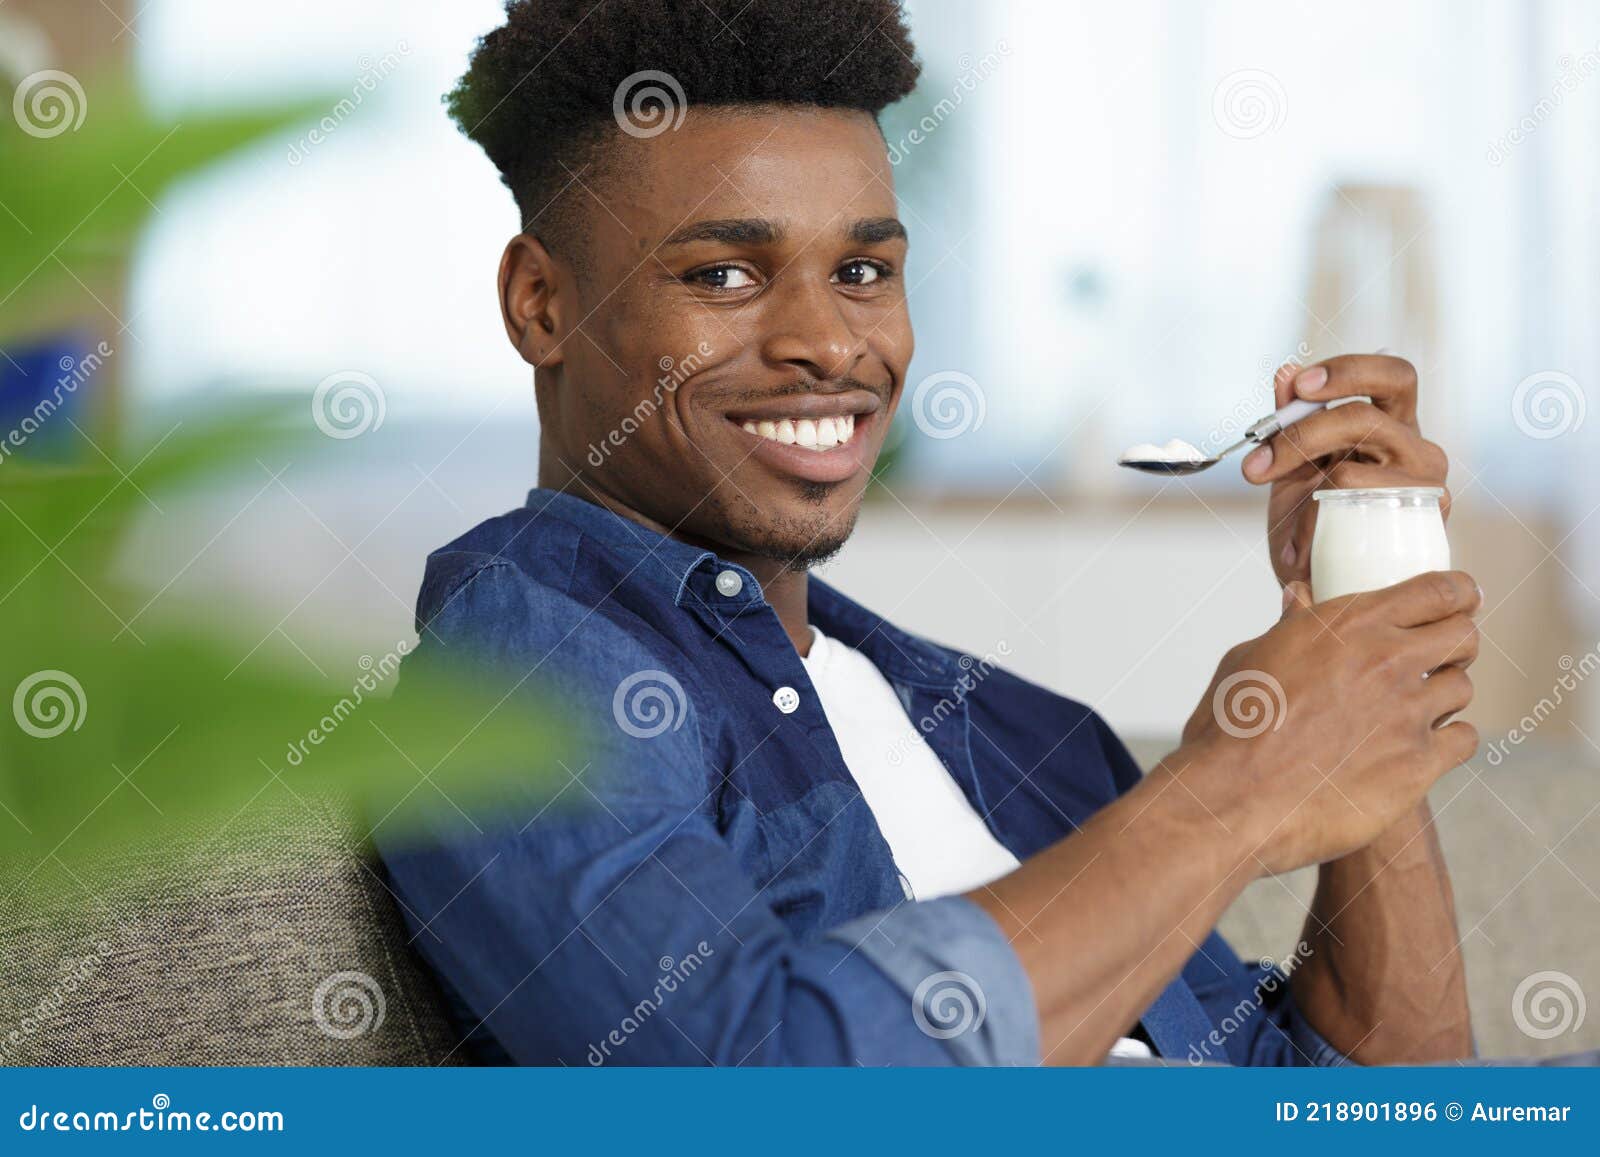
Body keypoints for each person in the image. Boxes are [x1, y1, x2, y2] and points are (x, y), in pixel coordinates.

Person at [377, 0, 1482, 1066]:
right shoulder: (512, 679)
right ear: (540, 304)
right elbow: (759, 1085)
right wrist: (1228, 792)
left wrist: (1357, 616)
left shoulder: (1004, 727)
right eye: (722, 273)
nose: (827, 341)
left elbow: (1402, 1103)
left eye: (862, 271)